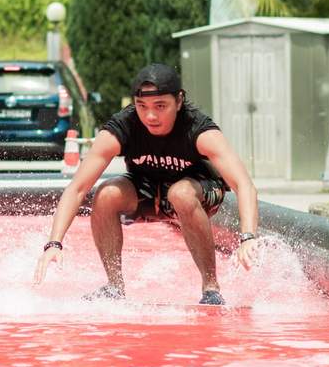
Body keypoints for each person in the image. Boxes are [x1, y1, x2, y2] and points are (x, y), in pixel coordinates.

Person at [33, 63, 260, 305]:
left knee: (180, 193)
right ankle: (114, 287)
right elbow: (77, 188)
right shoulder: (121, 128)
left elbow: (244, 185)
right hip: (147, 191)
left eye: (160, 106)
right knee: (106, 193)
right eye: (142, 107)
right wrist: (54, 243)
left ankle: (211, 287)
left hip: (198, 191)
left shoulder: (199, 129)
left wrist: (247, 237)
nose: (150, 116)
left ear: (179, 101)